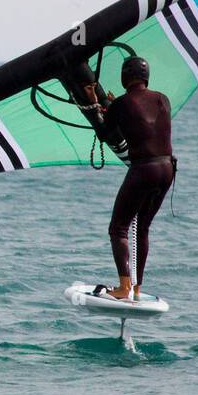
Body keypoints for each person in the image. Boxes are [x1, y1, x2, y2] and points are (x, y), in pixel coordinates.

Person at [82, 55, 175, 301]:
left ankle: (123, 288)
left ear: (125, 77)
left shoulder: (122, 104)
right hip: (168, 169)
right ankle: (137, 288)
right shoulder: (162, 99)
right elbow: (145, 123)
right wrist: (116, 108)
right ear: (146, 77)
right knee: (142, 228)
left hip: (144, 169)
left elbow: (104, 133)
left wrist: (93, 104)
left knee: (118, 228)